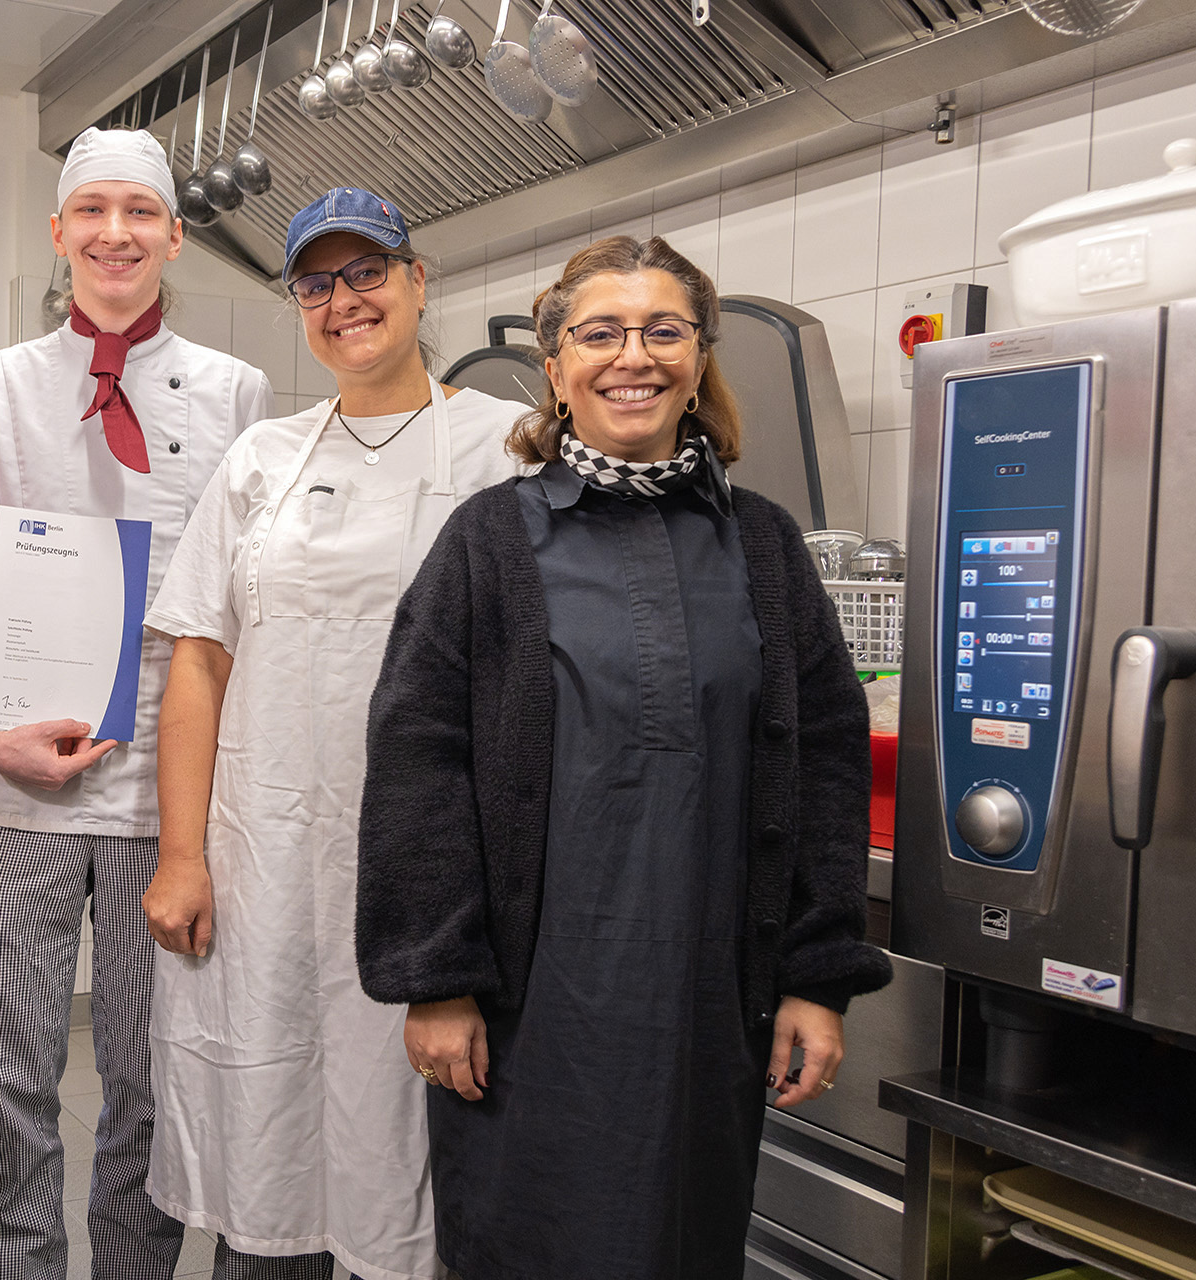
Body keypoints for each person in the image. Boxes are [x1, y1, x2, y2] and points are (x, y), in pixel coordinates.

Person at [354, 234, 893, 1279]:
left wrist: (818, 975)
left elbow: (826, 758)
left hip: (706, 1008)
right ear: (555, 368)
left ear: (699, 359)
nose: (632, 355)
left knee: (683, 1246)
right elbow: (418, 759)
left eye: (663, 330)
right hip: (528, 1010)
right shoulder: (490, 541)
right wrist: (437, 979)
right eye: (600, 333)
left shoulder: (767, 546)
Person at [140, 188, 524, 1280]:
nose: (344, 300)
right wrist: (180, 853)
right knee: (269, 1137)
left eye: (367, 273)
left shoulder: (501, 445)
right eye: (318, 283)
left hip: (435, 866)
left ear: (416, 279)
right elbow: (198, 658)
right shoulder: (262, 457)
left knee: (407, 1145)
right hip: (266, 858)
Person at [0, 126, 274, 1280]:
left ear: (176, 235)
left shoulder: (237, 394)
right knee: (11, 1078)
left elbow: (233, 603)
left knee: (149, 1078)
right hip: (13, 796)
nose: (115, 234)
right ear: (60, 230)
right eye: (93, 211)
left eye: (140, 212)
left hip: (162, 805)